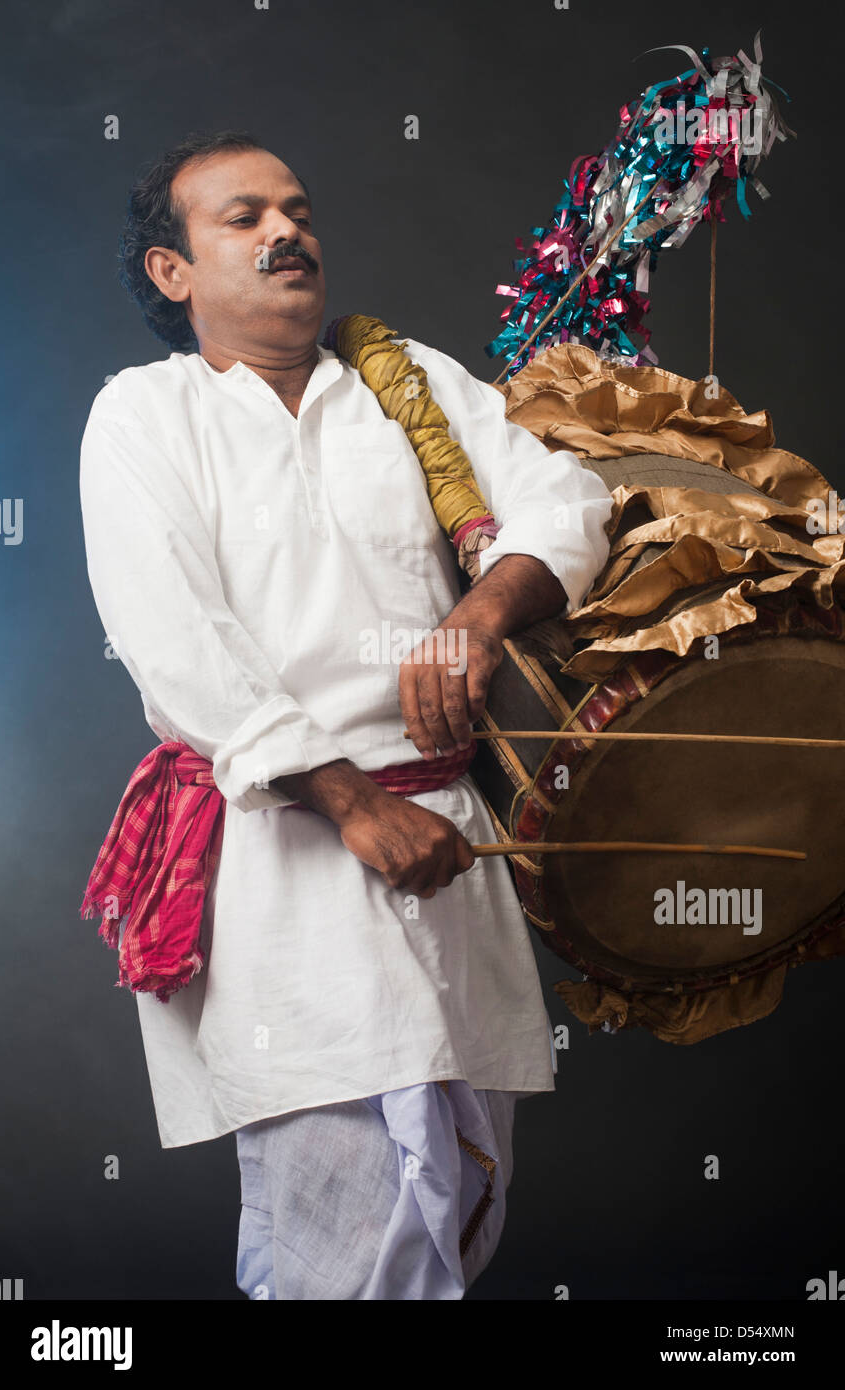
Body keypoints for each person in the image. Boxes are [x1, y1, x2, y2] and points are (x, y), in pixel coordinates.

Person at [78, 129, 613, 1300]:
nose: (286, 233)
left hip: (452, 847)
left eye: (297, 210)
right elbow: (176, 644)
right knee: (343, 1233)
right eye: (244, 217)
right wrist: (351, 801)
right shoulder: (144, 416)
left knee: (460, 1205)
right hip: (293, 858)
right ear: (175, 273)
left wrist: (477, 617)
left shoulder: (401, 378)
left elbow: (566, 499)